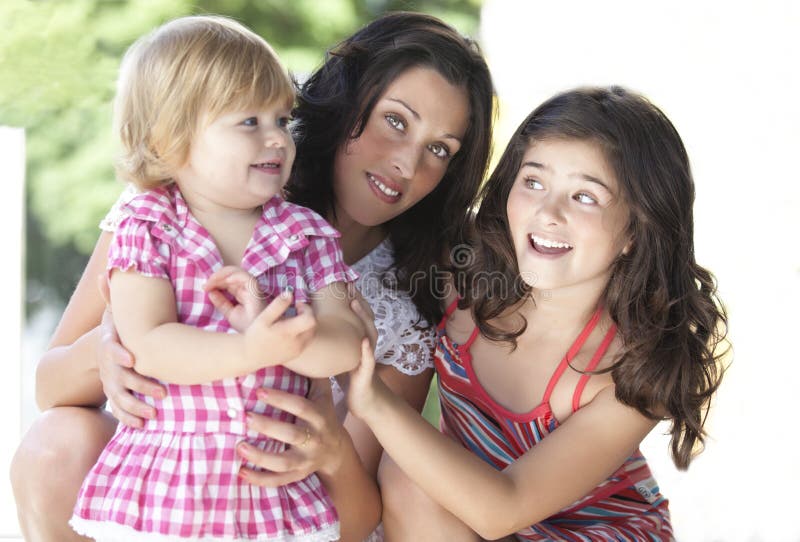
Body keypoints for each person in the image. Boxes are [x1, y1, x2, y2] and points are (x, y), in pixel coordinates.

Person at [10, 11, 494, 542]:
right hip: (166, 483)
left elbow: (357, 524)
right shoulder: (169, 205)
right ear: (346, 103)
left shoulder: (402, 300)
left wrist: (333, 454)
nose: (407, 164)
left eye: (440, 150)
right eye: (396, 121)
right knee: (57, 440)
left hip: (281, 517)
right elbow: (48, 388)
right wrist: (110, 350)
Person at [345, 86, 728, 541]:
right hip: (465, 512)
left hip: (587, 530)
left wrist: (373, 399)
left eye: (585, 196)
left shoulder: (631, 371)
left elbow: (502, 509)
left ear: (635, 230)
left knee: (410, 466)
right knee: (409, 478)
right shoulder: (463, 271)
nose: (548, 212)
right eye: (533, 182)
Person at [66, 15, 370, 541]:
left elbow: (346, 341)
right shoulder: (148, 224)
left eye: (282, 119)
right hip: (170, 485)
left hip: (272, 488)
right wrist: (251, 350)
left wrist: (289, 344)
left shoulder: (308, 234)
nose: (277, 138)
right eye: (249, 122)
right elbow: (151, 344)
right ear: (172, 137)